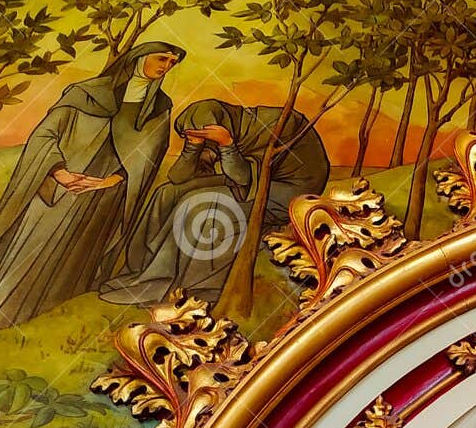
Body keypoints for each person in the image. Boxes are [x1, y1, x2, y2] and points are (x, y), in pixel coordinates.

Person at [0, 42, 184, 369]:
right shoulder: (87, 92)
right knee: (20, 263)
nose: (166, 65)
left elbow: (148, 157)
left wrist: (108, 182)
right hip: (56, 191)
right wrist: (60, 172)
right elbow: (45, 136)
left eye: (172, 62)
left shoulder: (158, 107)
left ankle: (15, 318)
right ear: (138, 58)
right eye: (161, 57)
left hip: (102, 203)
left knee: (65, 268)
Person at [101, 98, 330, 305]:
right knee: (167, 193)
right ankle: (142, 270)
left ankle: (191, 285)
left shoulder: (272, 127)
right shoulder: (227, 126)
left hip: (288, 192)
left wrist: (227, 144)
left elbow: (244, 178)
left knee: (198, 203)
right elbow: (177, 178)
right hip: (252, 181)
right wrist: (193, 145)